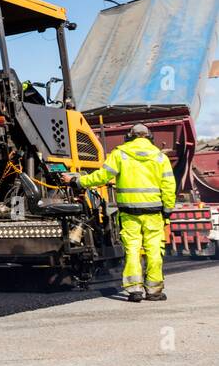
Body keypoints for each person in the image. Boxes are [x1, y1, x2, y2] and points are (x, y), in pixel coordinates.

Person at [70, 123, 176, 302]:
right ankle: (154, 291)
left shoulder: (119, 154)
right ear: (149, 137)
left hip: (129, 213)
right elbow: (169, 187)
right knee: (154, 250)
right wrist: (167, 211)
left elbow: (101, 177)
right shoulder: (160, 158)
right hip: (154, 214)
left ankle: (134, 291)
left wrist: (78, 181)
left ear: (129, 136)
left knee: (132, 249)